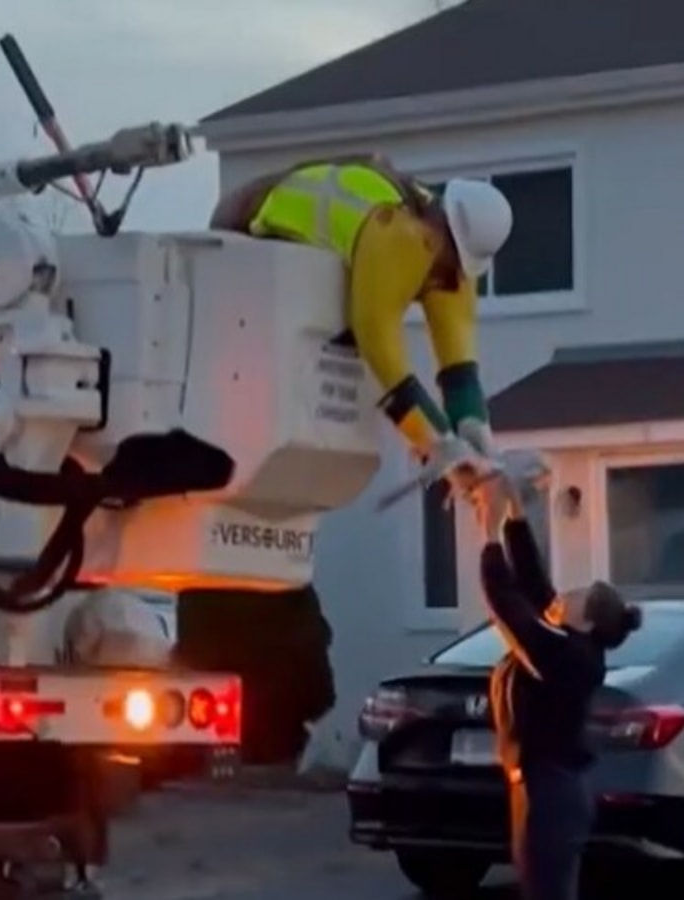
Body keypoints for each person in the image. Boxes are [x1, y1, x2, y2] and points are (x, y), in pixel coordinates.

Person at [212, 155, 514, 484]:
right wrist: (435, 440)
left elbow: (460, 372)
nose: (449, 275)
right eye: (450, 262)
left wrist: (476, 428)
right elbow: (379, 345)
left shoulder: (454, 266)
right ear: (438, 233)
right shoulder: (397, 233)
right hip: (257, 212)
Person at [470, 479, 644, 900]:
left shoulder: (569, 657)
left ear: (587, 620)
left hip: (552, 795)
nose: (563, 595)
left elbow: (508, 608)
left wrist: (488, 533)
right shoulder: (568, 641)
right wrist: (513, 510)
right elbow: (532, 583)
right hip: (542, 788)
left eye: (576, 596)